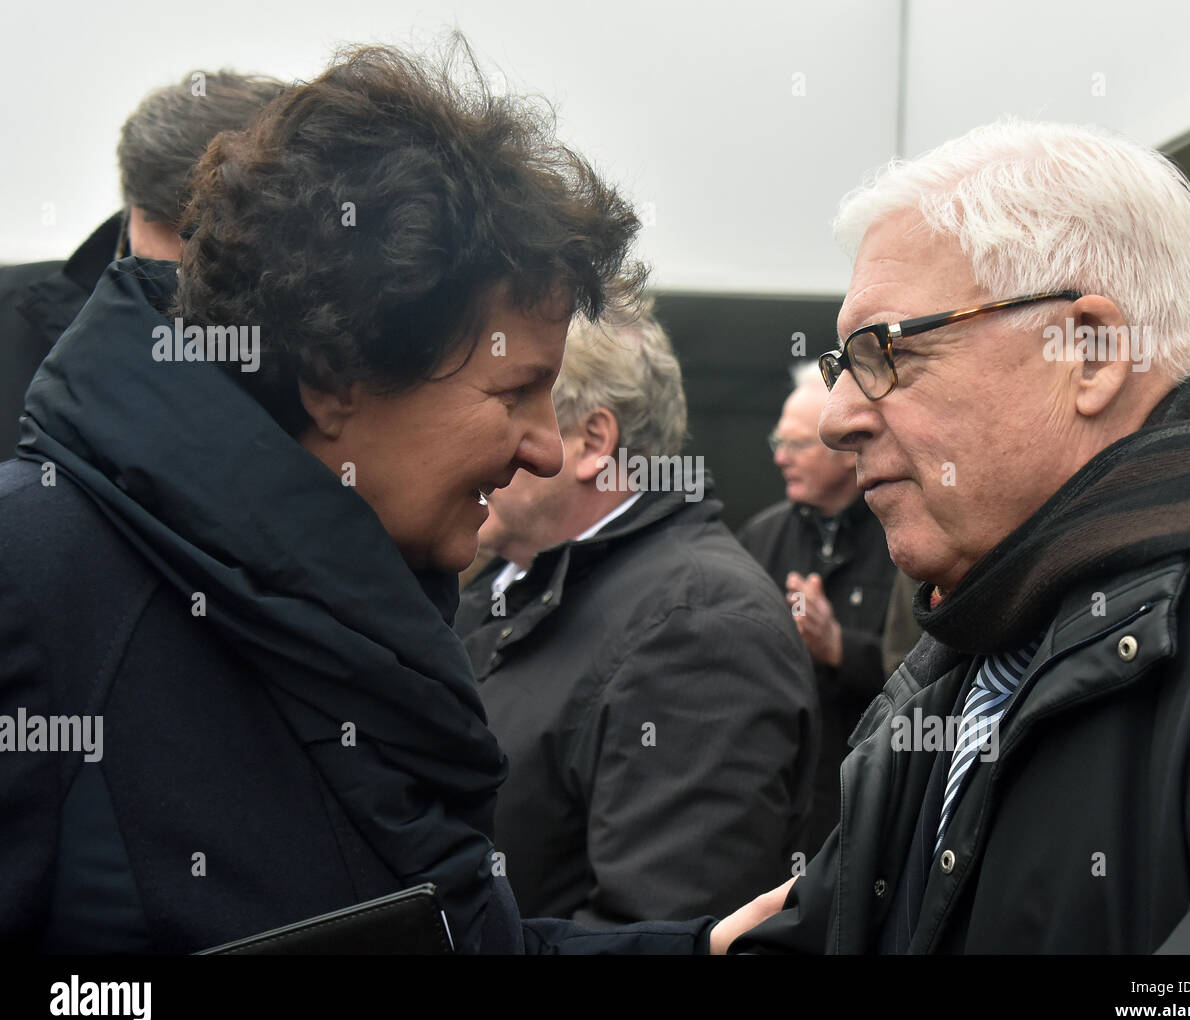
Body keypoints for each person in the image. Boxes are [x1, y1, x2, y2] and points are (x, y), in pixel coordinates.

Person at [0, 42, 718, 955]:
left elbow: (453, 938)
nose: (545, 446)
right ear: (334, 375)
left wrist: (702, 950)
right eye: (513, 393)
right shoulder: (34, 581)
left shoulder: (373, 593)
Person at [733, 117, 1190, 954]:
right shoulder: (989, 629)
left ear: (1091, 352)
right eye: (840, 367)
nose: (841, 420)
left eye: (884, 351)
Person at [455, 307, 819, 923]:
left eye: (508, 402)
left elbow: (659, 930)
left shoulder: (701, 626)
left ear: (594, 442)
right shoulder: (507, 578)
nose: (465, 436)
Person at [0, 70, 285, 451]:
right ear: (133, 205)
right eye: (180, 226)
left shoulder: (328, 349)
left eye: (223, 225)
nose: (199, 254)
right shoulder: (9, 317)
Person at [737, 362, 894, 848]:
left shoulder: (904, 539)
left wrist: (839, 648)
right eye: (777, 443)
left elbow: (931, 670)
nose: (781, 458)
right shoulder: (760, 539)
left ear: (847, 450)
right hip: (773, 802)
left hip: (868, 806)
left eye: (798, 445)